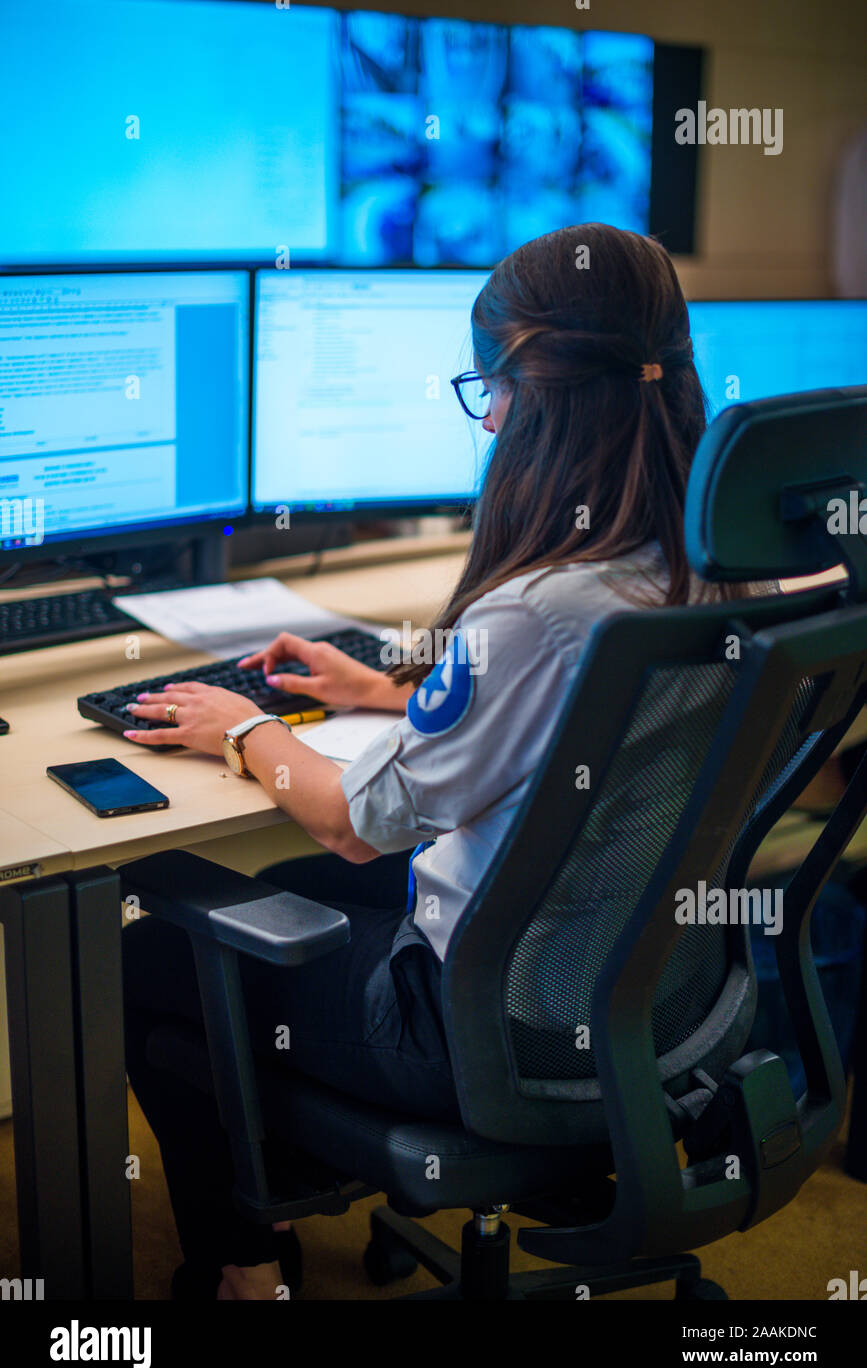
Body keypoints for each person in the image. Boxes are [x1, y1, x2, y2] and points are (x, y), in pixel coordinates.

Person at [121, 222, 749, 1300]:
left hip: (476, 1029)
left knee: (156, 960)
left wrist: (241, 725)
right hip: (644, 1000)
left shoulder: (535, 608)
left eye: (490, 387)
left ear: (538, 394)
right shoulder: (717, 564)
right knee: (278, 901)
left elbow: (350, 820)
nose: (491, 417)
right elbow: (570, 726)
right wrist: (382, 692)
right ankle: (338, 1164)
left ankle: (247, 1269)